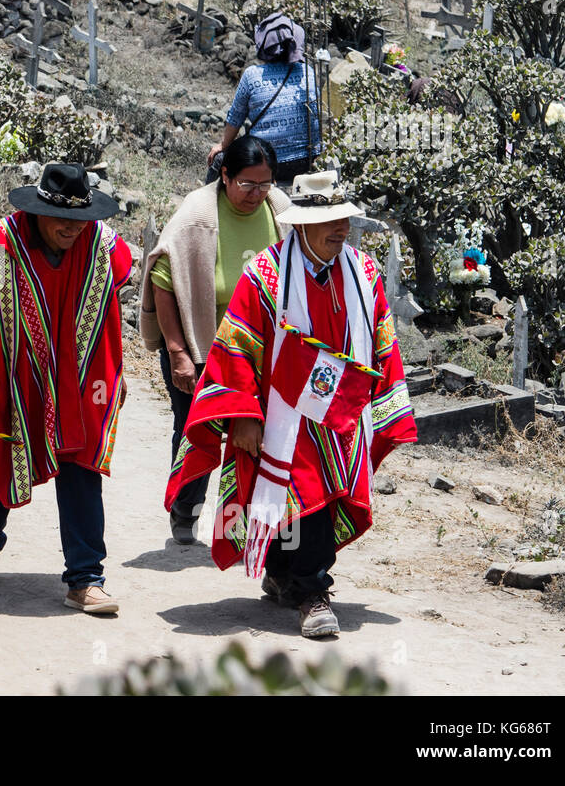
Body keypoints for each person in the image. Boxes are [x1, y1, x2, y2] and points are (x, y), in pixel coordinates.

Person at [165, 170, 417, 638]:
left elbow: (383, 339)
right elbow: (236, 346)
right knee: (300, 494)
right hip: (282, 415)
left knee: (318, 496)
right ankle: (311, 590)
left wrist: (387, 411)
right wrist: (243, 416)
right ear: (300, 224)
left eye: (344, 218)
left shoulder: (364, 275)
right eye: (330, 220)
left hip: (342, 412)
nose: (341, 228)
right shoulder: (264, 275)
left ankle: (284, 573)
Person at [0, 164, 134, 614]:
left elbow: (111, 314)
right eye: (62, 220)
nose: (72, 229)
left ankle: (86, 578)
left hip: (75, 381)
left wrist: (115, 372)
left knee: (82, 464)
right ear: (36, 211)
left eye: (81, 220)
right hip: (10, 380)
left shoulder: (101, 248)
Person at [140, 136, 290, 545]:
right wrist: (177, 353)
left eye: (265, 185)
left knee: (259, 434)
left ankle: (249, 524)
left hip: (260, 353)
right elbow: (163, 282)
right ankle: (185, 509)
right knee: (198, 428)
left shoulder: (280, 212)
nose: (256, 195)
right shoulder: (197, 215)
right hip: (202, 344)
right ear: (225, 175)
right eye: (247, 184)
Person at [208, 13, 320, 186]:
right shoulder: (308, 72)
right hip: (307, 159)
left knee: (219, 160)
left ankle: (209, 206)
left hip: (264, 163)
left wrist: (223, 146)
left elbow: (235, 119)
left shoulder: (252, 76)